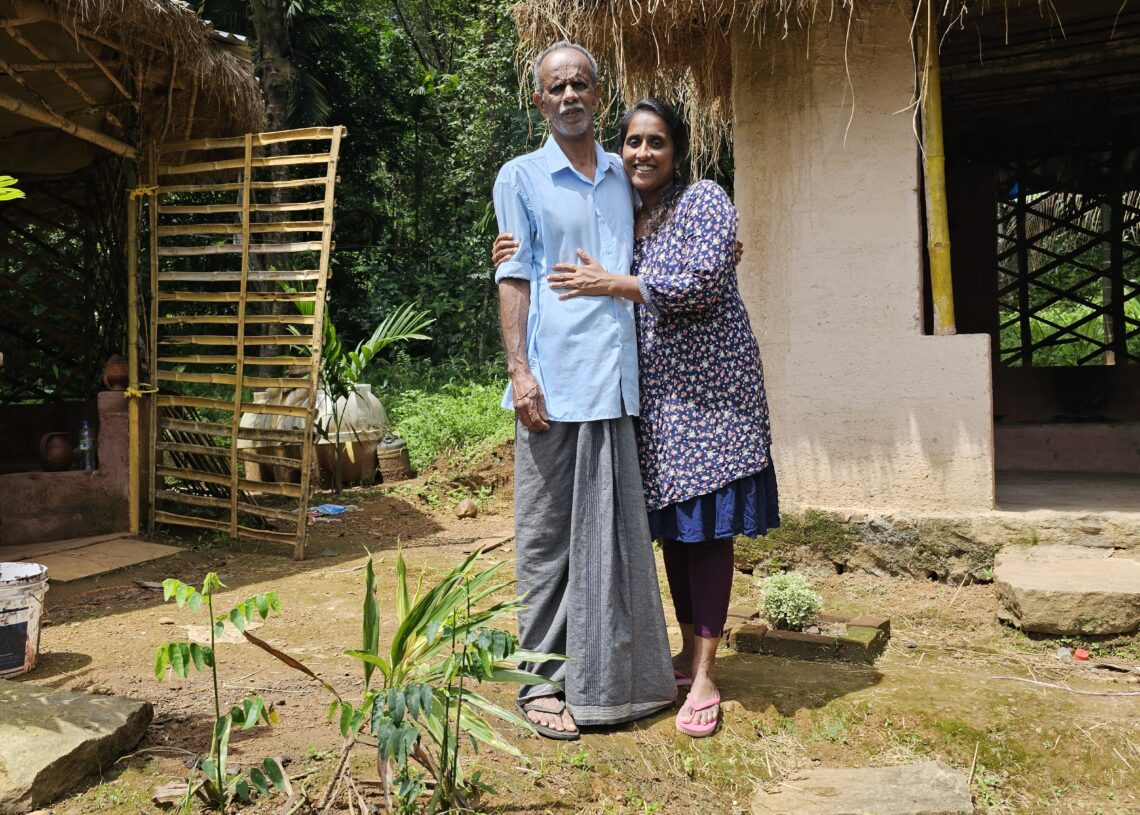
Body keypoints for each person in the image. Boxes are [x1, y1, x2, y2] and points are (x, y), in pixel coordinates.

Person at [494, 98, 779, 738]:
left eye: (656, 142)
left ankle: (706, 674)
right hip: (652, 403)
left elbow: (704, 280)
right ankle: (685, 652)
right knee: (676, 532)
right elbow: (547, 247)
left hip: (712, 398)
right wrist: (515, 248)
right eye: (632, 142)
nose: (642, 153)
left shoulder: (703, 198)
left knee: (707, 533)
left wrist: (615, 284)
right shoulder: (627, 206)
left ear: (677, 152)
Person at [492, 44, 676, 740]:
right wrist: (519, 370)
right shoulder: (521, 177)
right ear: (539, 101)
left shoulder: (621, 178)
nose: (569, 95)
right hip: (554, 385)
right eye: (555, 86)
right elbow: (513, 278)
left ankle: (615, 674)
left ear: (599, 94)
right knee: (547, 539)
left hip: (620, 383)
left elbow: (658, 242)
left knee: (619, 540)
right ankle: (540, 684)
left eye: (580, 84)